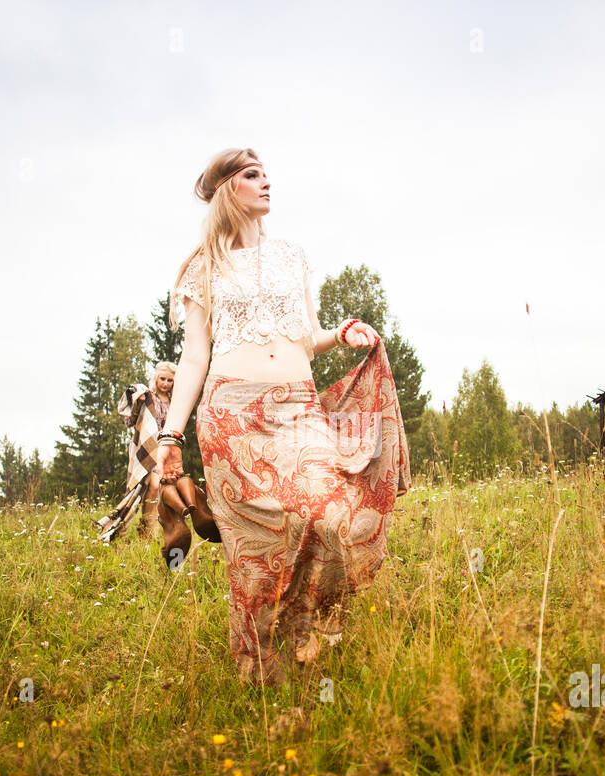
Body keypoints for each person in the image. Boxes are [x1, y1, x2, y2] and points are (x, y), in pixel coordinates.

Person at [158, 148, 411, 687]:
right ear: (229, 188)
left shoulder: (291, 256)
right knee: (257, 544)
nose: (267, 183)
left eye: (267, 173)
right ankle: (259, 668)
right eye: (253, 175)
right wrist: (170, 433)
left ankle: (303, 622)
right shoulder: (203, 266)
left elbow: (307, 338)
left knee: (326, 514)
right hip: (232, 415)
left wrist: (342, 333)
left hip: (297, 406)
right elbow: (195, 355)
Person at [124, 362, 176, 538]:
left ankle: (147, 528)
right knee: (147, 485)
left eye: (170, 380)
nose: (165, 383)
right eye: (162, 378)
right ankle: (142, 526)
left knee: (157, 488)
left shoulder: (174, 403)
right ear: (156, 378)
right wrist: (137, 403)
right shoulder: (148, 398)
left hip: (164, 450)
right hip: (146, 448)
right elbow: (129, 421)